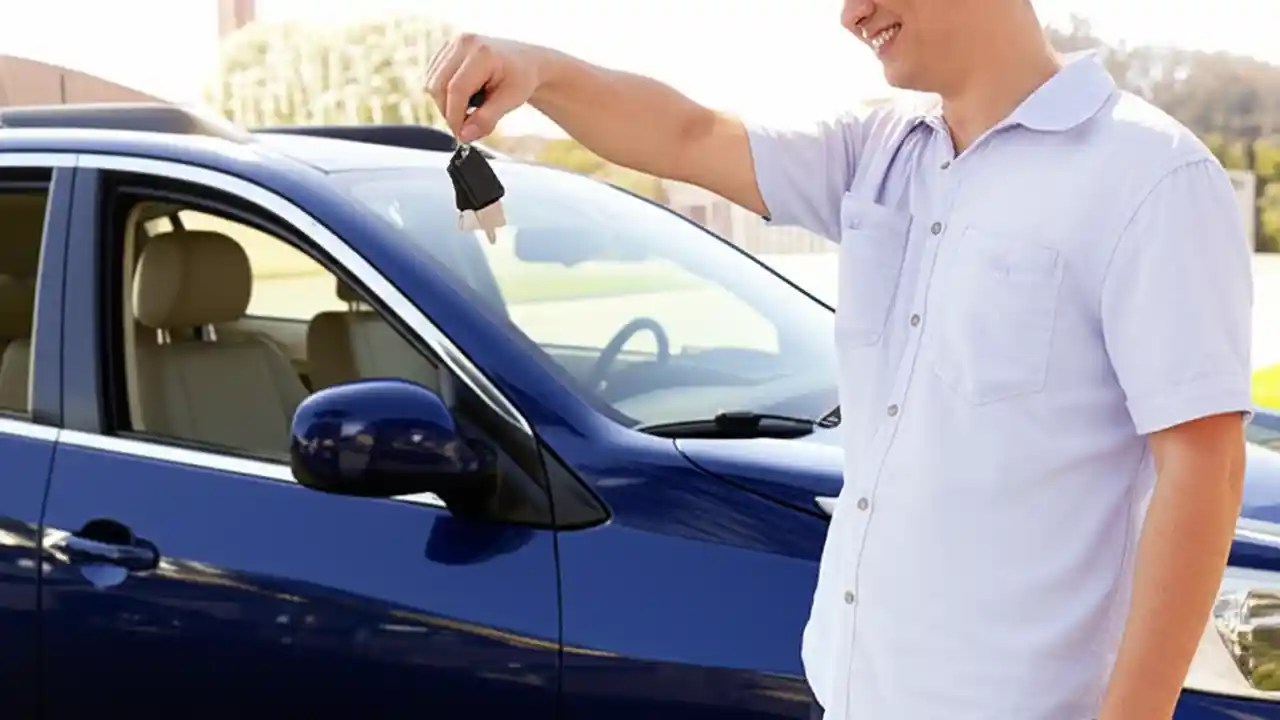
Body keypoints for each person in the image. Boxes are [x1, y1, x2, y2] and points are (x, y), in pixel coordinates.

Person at [426, 1, 1254, 718]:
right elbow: (685, 134)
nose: (850, 15)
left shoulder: (1150, 176)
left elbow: (1204, 474)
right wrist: (539, 71)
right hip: (855, 694)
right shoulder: (880, 152)